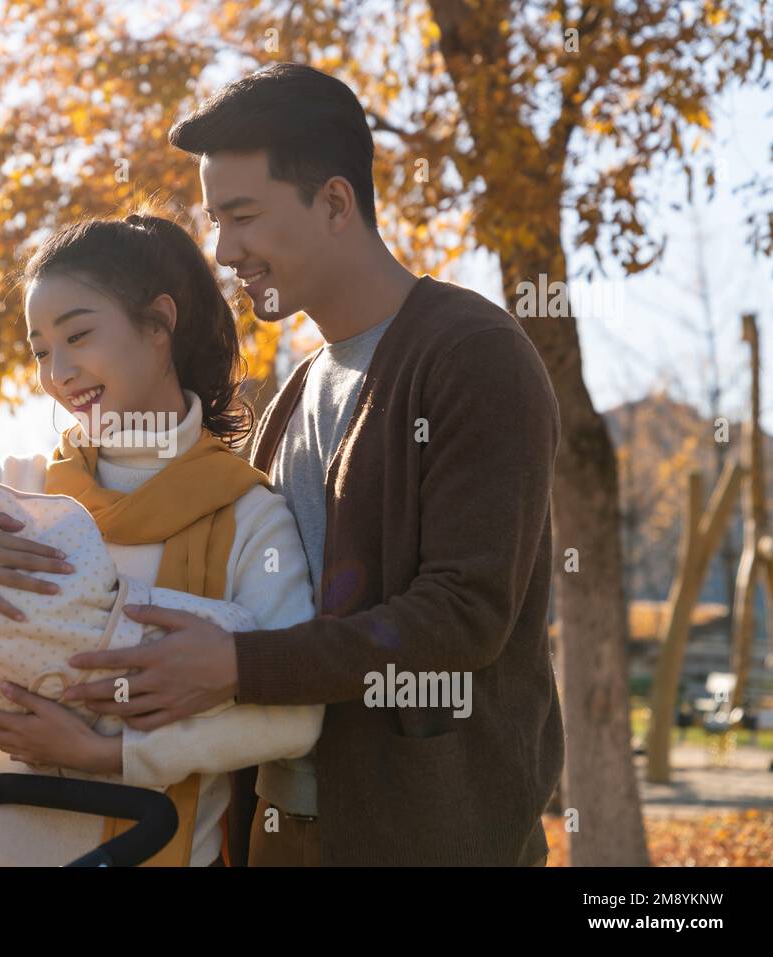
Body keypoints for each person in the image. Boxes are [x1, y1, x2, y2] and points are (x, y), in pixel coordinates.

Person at [60, 62, 564, 867]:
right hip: (274, 833)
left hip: (427, 844)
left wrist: (236, 665)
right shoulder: (292, 394)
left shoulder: (474, 356)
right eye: (216, 220)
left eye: (243, 215)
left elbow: (463, 614)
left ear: (334, 202)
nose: (225, 250)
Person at [0, 211, 322, 867]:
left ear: (159, 324)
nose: (57, 371)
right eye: (38, 350)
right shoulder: (13, 489)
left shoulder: (249, 517)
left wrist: (108, 756)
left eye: (78, 334)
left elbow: (295, 717)